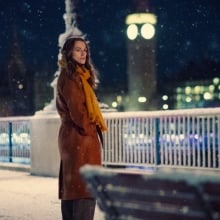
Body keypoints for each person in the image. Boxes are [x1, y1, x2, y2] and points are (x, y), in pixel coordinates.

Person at [56, 37, 107, 220]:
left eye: (85, 50)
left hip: (75, 139)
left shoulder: (77, 76)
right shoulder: (71, 78)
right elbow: (78, 112)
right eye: (78, 50)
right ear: (69, 53)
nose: (83, 53)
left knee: (74, 188)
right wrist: (90, 129)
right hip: (79, 139)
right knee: (85, 189)